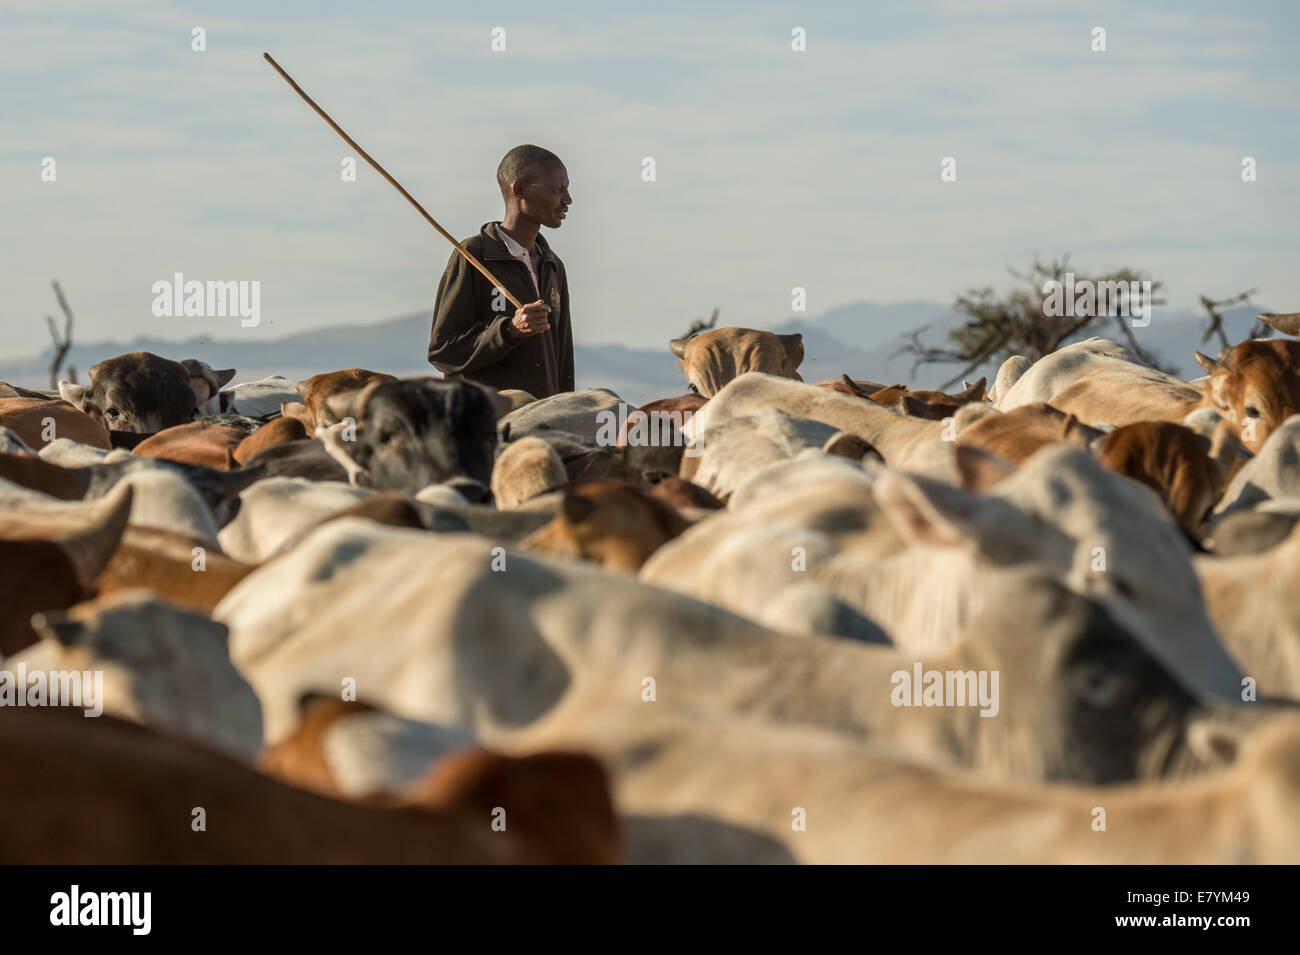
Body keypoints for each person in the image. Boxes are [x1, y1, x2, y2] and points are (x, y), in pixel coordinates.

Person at [427, 144, 574, 398]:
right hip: (486, 428)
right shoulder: (473, 255)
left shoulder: (553, 265)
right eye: (557, 189)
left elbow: (563, 362)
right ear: (520, 189)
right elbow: (443, 352)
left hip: (542, 428)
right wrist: (508, 330)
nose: (568, 200)